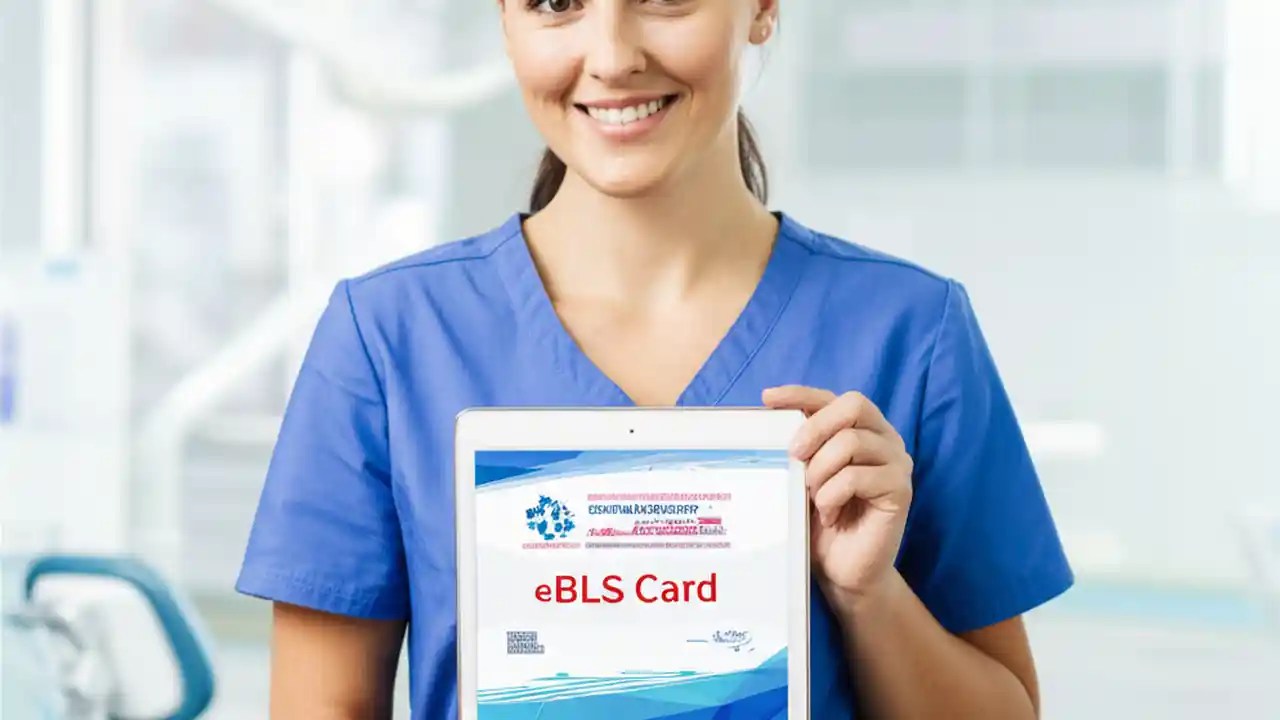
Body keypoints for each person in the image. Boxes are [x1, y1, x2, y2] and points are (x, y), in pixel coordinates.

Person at [235, 1, 1074, 717]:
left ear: (762, 9)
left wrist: (867, 594)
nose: (611, 56)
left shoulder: (911, 331)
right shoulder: (388, 338)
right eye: (556, 2)